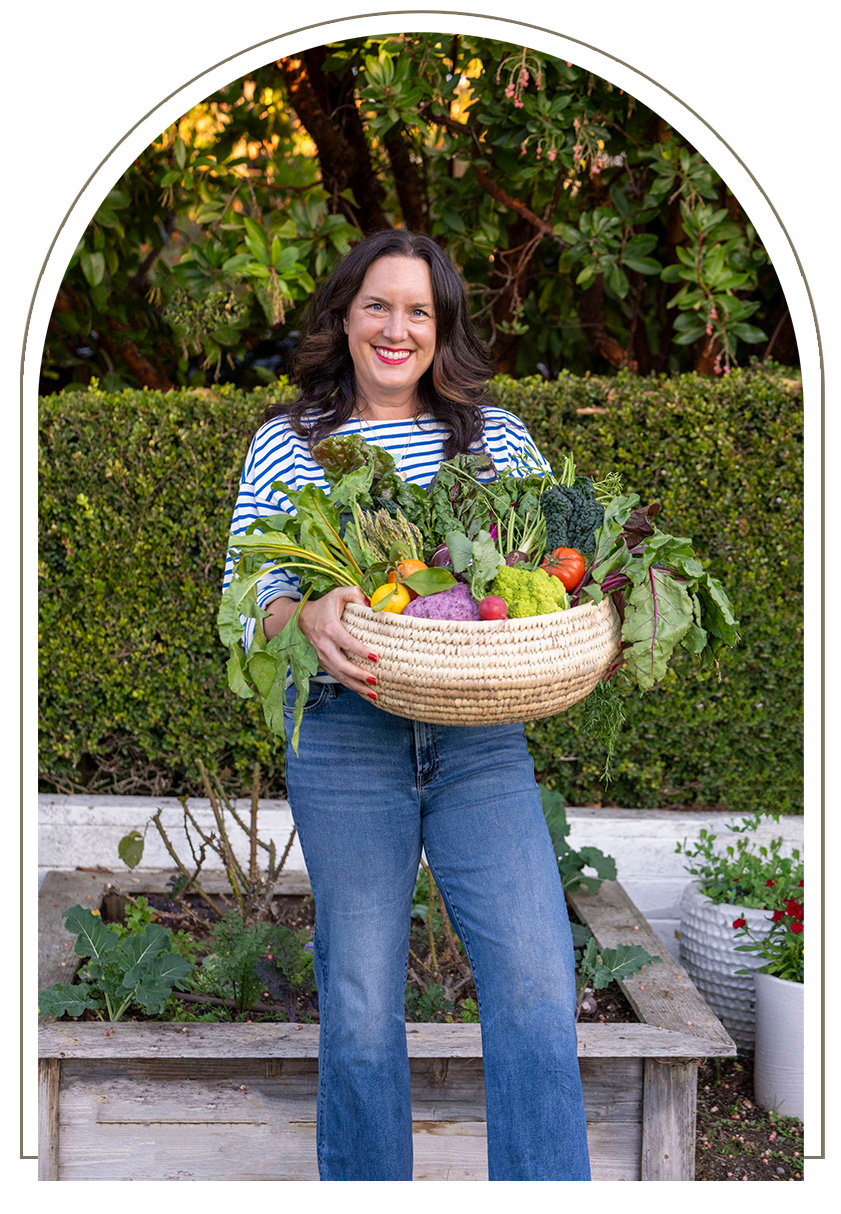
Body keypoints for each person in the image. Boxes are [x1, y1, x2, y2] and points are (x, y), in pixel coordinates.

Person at [223, 228, 591, 1182]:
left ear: (443, 326)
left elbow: (561, 566)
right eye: (377, 305)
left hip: (478, 741)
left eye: (418, 310)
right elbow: (245, 600)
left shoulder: (496, 436)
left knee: (539, 981)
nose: (397, 328)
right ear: (343, 315)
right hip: (346, 741)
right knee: (356, 1000)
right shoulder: (287, 442)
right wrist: (301, 613)